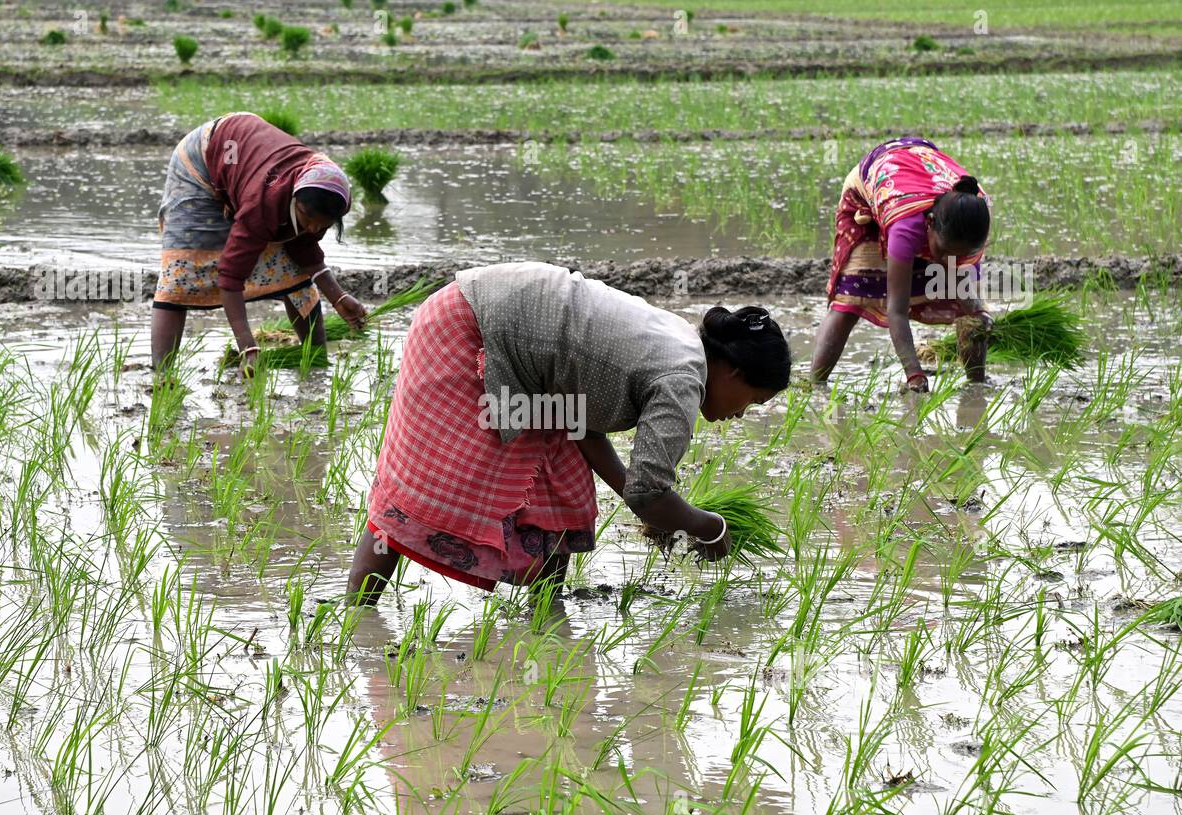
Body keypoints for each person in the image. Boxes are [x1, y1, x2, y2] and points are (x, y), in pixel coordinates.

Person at [345, 261, 792, 604]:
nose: (741, 414)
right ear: (733, 372)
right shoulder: (683, 379)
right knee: (426, 485)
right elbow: (649, 492)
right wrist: (707, 525)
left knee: (562, 491)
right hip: (469, 328)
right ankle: (358, 619)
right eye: (752, 401)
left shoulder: (681, 345)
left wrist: (658, 515)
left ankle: (545, 621)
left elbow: (586, 431)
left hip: (529, 365)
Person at [150, 111, 368, 376]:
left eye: (322, 224)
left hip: (248, 160)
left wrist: (339, 297)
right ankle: (162, 377)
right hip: (200, 164)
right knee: (181, 272)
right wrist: (248, 348)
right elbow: (230, 277)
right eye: (307, 217)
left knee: (294, 271)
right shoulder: (265, 202)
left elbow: (304, 248)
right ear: (294, 199)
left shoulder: (328, 190)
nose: (313, 228)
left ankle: (316, 362)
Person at [810, 137, 992, 391]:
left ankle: (977, 383)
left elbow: (962, 285)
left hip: (919, 180)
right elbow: (897, 309)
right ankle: (815, 383)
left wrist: (979, 315)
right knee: (852, 297)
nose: (943, 261)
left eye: (957, 255)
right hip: (873, 195)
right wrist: (914, 374)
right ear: (928, 224)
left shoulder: (973, 215)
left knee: (969, 314)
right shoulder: (905, 227)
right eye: (942, 251)